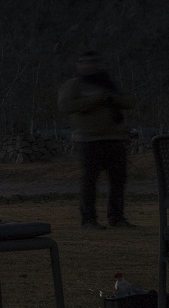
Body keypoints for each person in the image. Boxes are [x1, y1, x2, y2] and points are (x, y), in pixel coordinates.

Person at [57, 51, 136, 229]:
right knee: (90, 181)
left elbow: (130, 101)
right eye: (85, 63)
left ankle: (116, 217)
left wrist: (112, 98)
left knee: (118, 180)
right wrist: (95, 100)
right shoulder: (73, 85)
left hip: (115, 138)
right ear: (78, 65)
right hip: (89, 140)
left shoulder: (109, 84)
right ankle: (89, 219)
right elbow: (65, 106)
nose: (90, 66)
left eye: (93, 62)